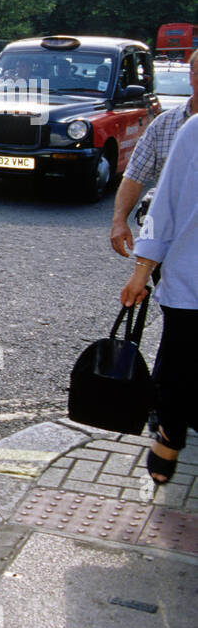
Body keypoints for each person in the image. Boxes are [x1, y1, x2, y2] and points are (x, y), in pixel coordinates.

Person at [120, 104, 198, 484]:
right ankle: (171, 431)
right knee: (180, 365)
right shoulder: (192, 131)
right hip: (191, 277)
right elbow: (164, 206)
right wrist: (141, 270)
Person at [111, 49, 197, 258]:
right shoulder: (164, 124)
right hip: (169, 233)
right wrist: (120, 221)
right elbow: (134, 176)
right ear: (191, 77)